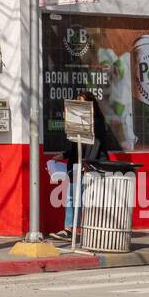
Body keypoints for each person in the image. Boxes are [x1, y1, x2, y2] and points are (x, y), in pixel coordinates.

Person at [50, 92, 113, 242]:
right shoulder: (77, 124)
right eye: (77, 102)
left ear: (90, 104)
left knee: (90, 199)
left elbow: (95, 145)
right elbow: (76, 148)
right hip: (77, 164)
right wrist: (63, 155)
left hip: (91, 166)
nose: (79, 105)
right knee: (72, 196)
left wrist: (88, 163)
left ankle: (94, 230)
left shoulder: (96, 122)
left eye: (82, 102)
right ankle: (69, 229)